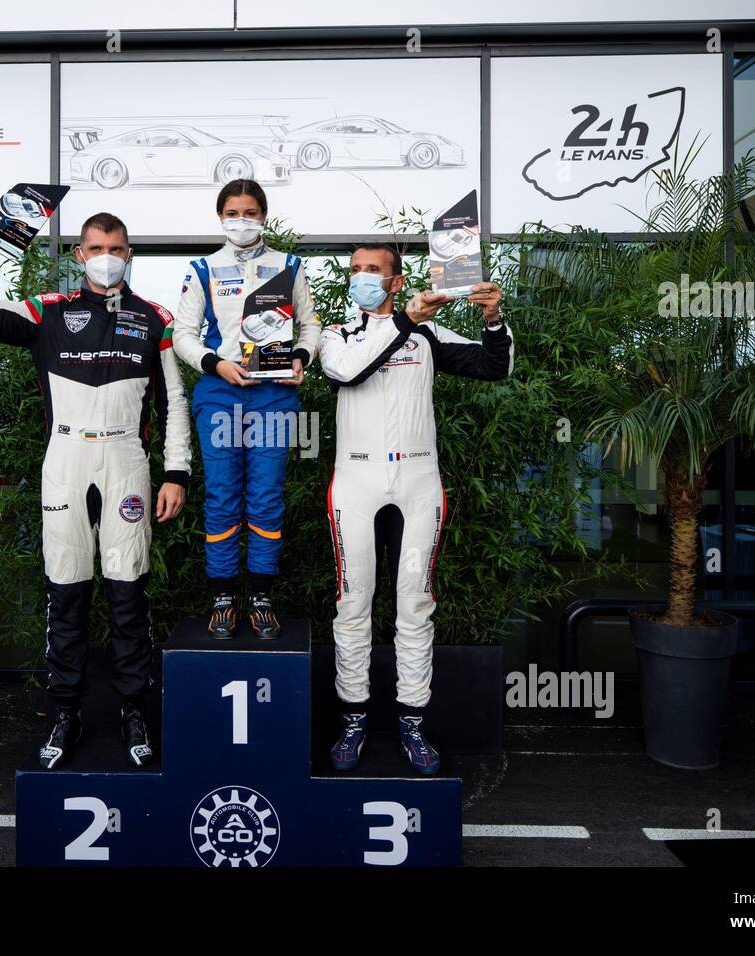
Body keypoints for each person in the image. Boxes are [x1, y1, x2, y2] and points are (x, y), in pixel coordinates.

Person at [0, 201, 191, 770]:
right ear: (79, 254)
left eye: (116, 250)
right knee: (66, 590)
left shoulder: (155, 319)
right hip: (65, 457)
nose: (105, 260)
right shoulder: (48, 311)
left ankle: (135, 709)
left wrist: (177, 472)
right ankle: (65, 711)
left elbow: (174, 401)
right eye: (95, 249)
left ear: (128, 255)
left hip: (126, 460)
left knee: (127, 593)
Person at [319, 243, 513, 775]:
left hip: (418, 479)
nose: (362, 277)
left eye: (373, 270)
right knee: (354, 602)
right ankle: (353, 718)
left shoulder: (426, 333)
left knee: (414, 601)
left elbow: (493, 366)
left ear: (396, 280)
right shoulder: (336, 335)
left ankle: (412, 720)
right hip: (355, 480)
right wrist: (404, 320)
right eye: (356, 269)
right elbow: (347, 374)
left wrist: (493, 318)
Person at [172, 178, 320, 639]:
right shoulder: (203, 268)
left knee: (266, 496)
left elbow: (310, 327)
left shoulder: (289, 266)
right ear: (221, 217)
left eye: (250, 212)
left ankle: (259, 597)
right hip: (220, 393)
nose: (242, 220)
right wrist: (215, 364)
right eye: (233, 212)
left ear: (264, 215)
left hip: (274, 394)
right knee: (220, 496)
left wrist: (301, 357)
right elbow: (183, 335)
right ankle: (221, 599)